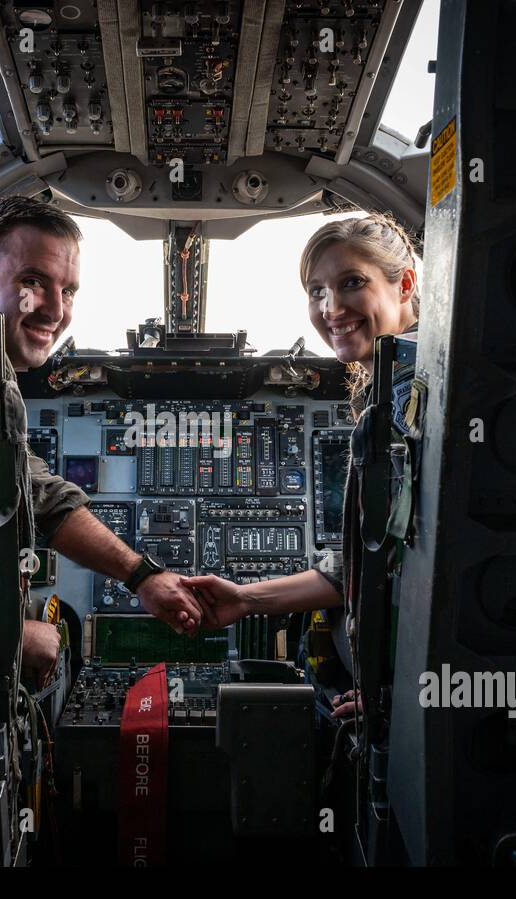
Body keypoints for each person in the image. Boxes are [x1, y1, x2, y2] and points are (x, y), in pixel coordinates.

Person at [180, 213, 420, 718]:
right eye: (316, 291)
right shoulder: (398, 387)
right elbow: (367, 558)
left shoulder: (412, 396)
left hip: (412, 670)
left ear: (405, 285)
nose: (331, 308)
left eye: (352, 282)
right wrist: (244, 599)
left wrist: (400, 698)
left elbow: (420, 559)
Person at [0, 195, 203, 686]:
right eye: (31, 282)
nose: (54, 309)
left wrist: (141, 576)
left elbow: (39, 495)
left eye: (68, 290)